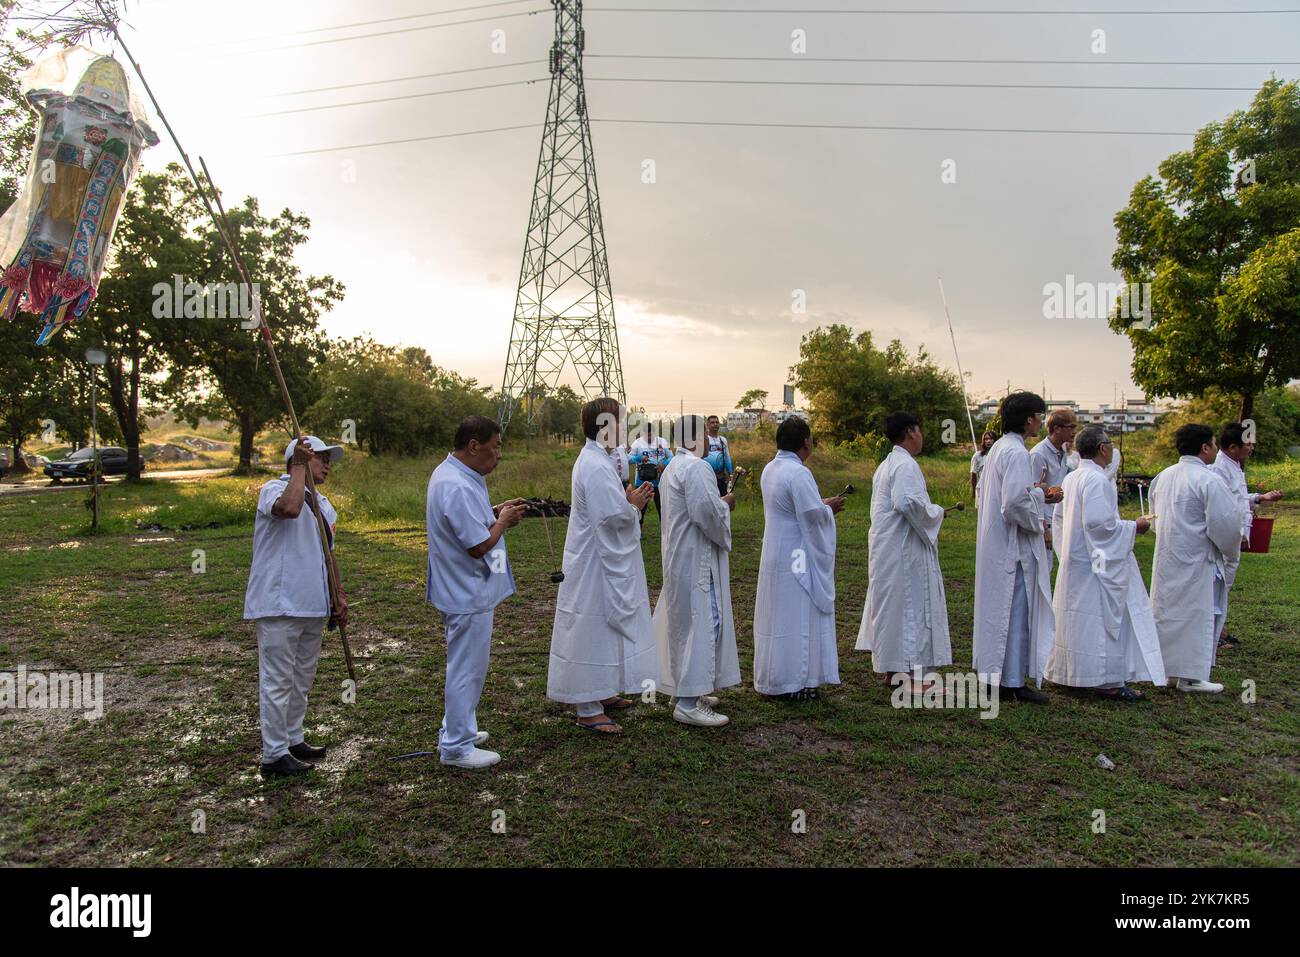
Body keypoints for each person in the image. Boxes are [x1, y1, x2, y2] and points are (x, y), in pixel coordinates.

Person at [548, 398, 659, 733]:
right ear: (606, 426)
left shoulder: (601, 459)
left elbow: (612, 507)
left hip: (600, 557)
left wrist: (628, 502)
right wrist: (634, 505)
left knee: (607, 625)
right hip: (593, 562)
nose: (626, 428)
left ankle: (604, 688)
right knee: (591, 625)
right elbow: (610, 516)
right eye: (621, 422)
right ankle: (587, 705)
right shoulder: (594, 465)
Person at [426, 416, 528, 770]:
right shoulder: (455, 484)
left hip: (461, 589)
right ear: (473, 445)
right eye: (495, 446)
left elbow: (469, 520)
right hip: (466, 591)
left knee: (466, 666)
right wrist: (502, 523)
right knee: (467, 669)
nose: (499, 454)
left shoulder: (457, 476)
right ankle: (455, 747)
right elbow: (477, 546)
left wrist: (495, 511)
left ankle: (460, 729)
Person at [244, 435, 347, 778]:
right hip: (279, 603)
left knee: (301, 678)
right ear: (299, 460)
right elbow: (288, 510)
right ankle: (274, 755)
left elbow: (328, 552)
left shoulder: (325, 504)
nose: (328, 465)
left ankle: (293, 737)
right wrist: (299, 467)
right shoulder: (274, 489)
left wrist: (338, 594)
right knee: (278, 679)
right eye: (321, 458)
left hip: (312, 603)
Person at [1044, 426, 1165, 701]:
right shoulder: (1097, 480)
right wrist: (1134, 527)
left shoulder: (1072, 478)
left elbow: (1060, 519)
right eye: (1110, 444)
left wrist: (1067, 551)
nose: (1113, 449)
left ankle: (1069, 674)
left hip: (1078, 560)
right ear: (1102, 448)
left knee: (1075, 618)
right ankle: (1105, 681)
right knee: (1101, 619)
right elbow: (1099, 525)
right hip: (1096, 562)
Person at [652, 414, 741, 726]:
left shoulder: (672, 468)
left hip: (678, 556)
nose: (708, 439)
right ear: (695, 437)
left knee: (683, 623)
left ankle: (686, 688)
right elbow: (707, 512)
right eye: (704, 433)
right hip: (695, 557)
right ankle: (688, 703)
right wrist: (726, 504)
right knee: (706, 621)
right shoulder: (696, 467)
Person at [973, 392, 1061, 703]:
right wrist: (1041, 501)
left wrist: (1034, 492)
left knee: (997, 610)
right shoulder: (1017, 453)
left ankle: (994, 675)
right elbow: (1013, 504)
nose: (1040, 421)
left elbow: (1006, 494)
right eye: (1039, 416)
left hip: (996, 543)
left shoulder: (999, 448)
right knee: (1015, 610)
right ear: (1029, 419)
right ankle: (1011, 681)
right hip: (1013, 547)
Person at [855, 412, 950, 693]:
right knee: (910, 607)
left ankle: (893, 669)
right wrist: (935, 513)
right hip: (903, 551)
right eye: (919, 430)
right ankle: (909, 678)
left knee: (894, 608)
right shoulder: (905, 465)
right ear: (911, 432)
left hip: (890, 547)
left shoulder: (888, 463)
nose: (921, 436)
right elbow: (906, 502)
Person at [753, 416, 845, 701]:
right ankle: (795, 681)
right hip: (797, 556)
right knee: (797, 615)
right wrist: (829, 510)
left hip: (774, 550)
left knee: (776, 616)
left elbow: (797, 509)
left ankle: (775, 677)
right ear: (806, 441)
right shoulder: (799, 473)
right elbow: (812, 517)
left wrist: (820, 505)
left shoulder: (770, 468)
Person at [1149, 424, 1244, 694]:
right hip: (1197, 557)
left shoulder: (1164, 476)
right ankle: (1190, 675)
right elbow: (1225, 524)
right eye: (1214, 444)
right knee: (1196, 611)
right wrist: (1229, 550)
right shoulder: (1208, 480)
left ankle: (1166, 670)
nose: (1216, 449)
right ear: (1205, 447)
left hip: (1168, 554)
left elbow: (1155, 518)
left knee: (1167, 610)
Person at [1209, 422, 1284, 648]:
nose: (1252, 447)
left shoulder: (1235, 465)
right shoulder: (1218, 469)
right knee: (1217, 587)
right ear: (1233, 447)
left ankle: (1217, 630)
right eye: (1248, 443)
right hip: (1225, 538)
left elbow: (1237, 498)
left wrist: (1260, 498)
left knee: (1225, 587)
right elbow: (1221, 506)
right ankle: (1213, 635)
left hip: (1236, 536)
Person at [1029, 408, 1077, 558]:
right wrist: (1044, 529)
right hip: (1045, 522)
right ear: (1056, 429)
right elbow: (1033, 495)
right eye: (1071, 427)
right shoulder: (1039, 454)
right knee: (1044, 567)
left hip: (1059, 516)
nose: (1074, 432)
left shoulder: (1062, 450)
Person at [628, 419, 672, 528]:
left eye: (651, 435)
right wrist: (639, 458)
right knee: (641, 508)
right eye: (647, 436)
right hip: (642, 480)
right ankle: (639, 530)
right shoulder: (637, 443)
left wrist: (664, 463)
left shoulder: (662, 441)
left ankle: (665, 529)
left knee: (662, 507)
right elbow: (628, 458)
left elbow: (671, 457)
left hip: (659, 480)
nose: (649, 438)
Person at [705, 414, 734, 496]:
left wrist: (730, 474)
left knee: (723, 500)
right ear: (708, 425)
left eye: (717, 422)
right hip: (707, 476)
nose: (715, 424)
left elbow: (727, 457)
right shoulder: (704, 439)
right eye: (712, 422)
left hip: (720, 476)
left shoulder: (723, 440)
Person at [970, 430, 995, 503]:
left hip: (995, 488)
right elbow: (973, 474)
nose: (988, 441)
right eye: (986, 439)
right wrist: (973, 491)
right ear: (983, 441)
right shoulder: (977, 456)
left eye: (991, 439)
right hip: (982, 488)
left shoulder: (999, 455)